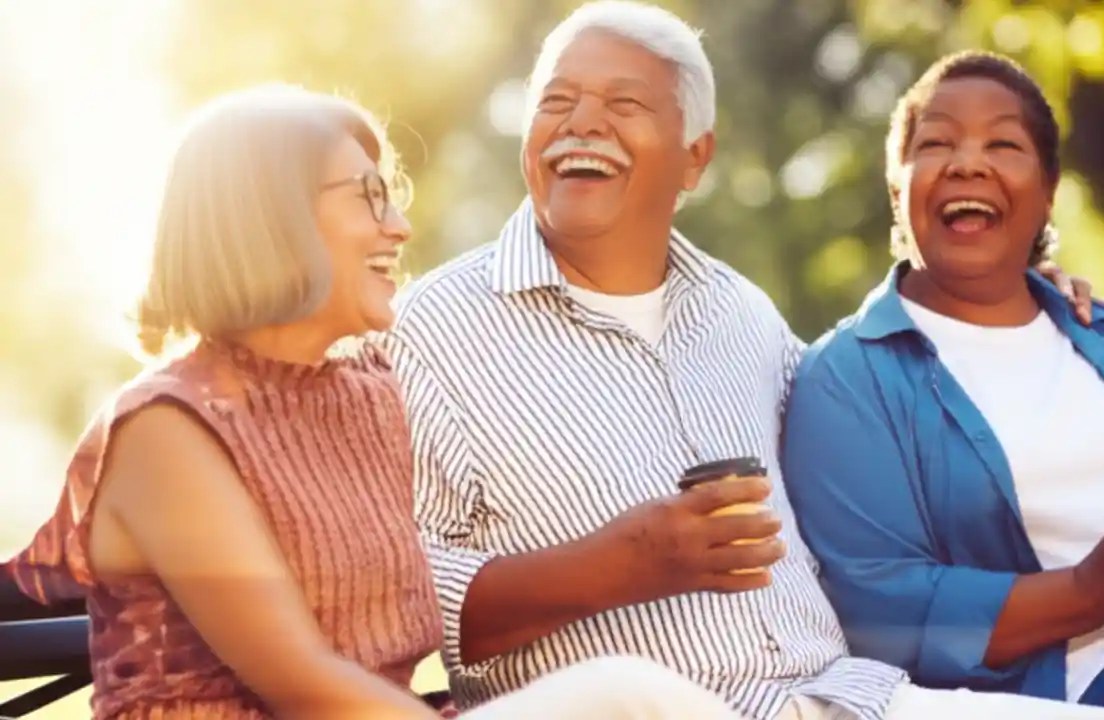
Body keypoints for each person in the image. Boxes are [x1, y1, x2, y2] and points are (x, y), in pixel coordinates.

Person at [382, 4, 1104, 720]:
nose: (580, 125)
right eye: (554, 102)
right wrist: (618, 564)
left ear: (695, 158)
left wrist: (1006, 290)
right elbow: (400, 595)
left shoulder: (741, 312)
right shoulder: (436, 328)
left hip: (847, 697)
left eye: (623, 105)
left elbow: (869, 413)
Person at [1, 85, 743, 720]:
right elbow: (309, 689)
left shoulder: (368, 393)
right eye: (369, 197)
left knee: (635, 689)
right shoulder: (168, 431)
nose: (400, 227)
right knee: (626, 697)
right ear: (268, 216)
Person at [781, 50, 1104, 720]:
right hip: (1078, 680)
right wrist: (1090, 590)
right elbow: (880, 611)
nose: (967, 162)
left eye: (1003, 142)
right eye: (936, 143)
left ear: (1047, 190)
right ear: (898, 190)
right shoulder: (848, 374)